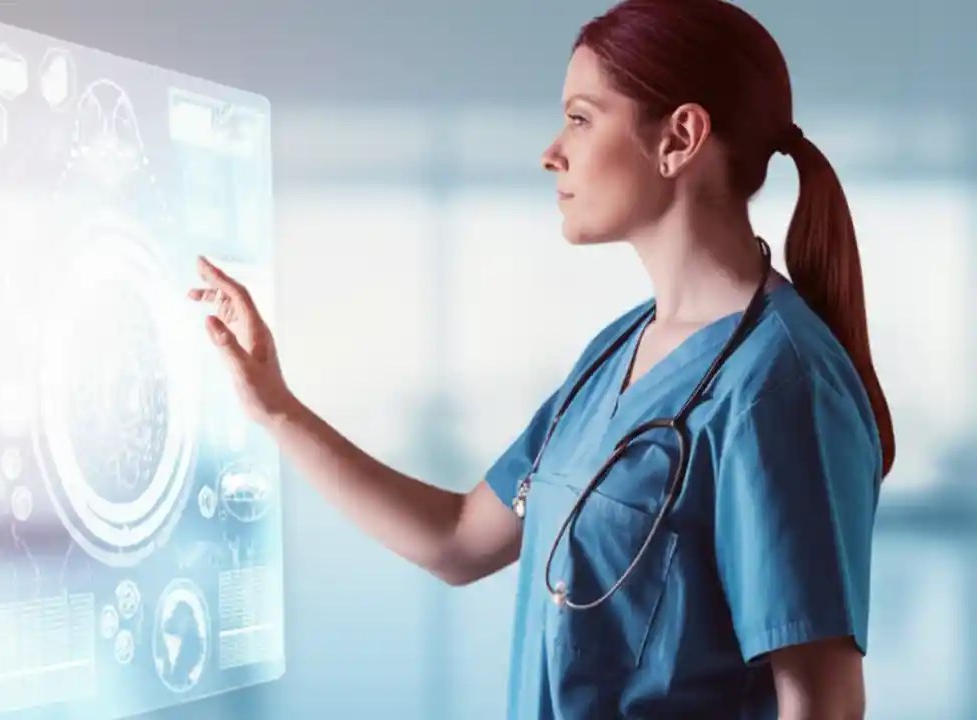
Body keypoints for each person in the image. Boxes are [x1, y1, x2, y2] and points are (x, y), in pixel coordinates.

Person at [187, 0, 893, 716]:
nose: (552, 151)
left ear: (679, 137)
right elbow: (459, 539)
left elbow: (825, 703)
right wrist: (275, 408)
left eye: (581, 118)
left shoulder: (780, 383)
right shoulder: (616, 350)